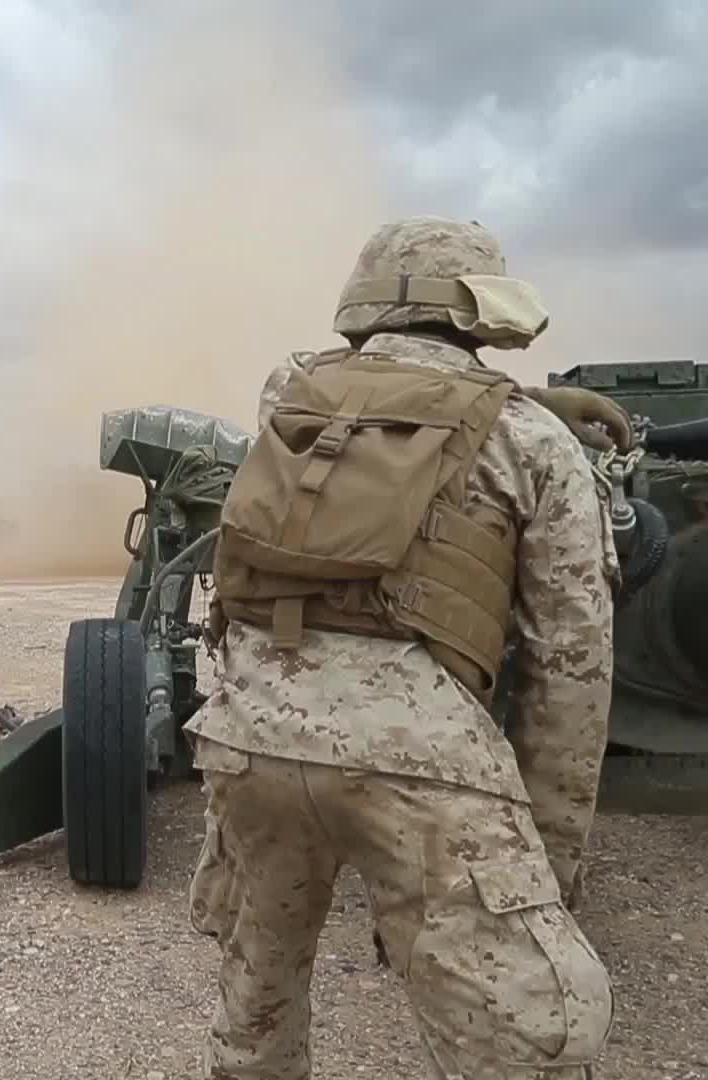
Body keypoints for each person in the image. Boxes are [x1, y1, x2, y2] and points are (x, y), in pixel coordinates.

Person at [187, 216, 617, 1078]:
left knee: (255, 1014)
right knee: (526, 1044)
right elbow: (571, 668)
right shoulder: (535, 440)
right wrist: (552, 854)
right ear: (480, 309)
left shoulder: (290, 393)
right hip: (422, 756)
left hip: (249, 737)